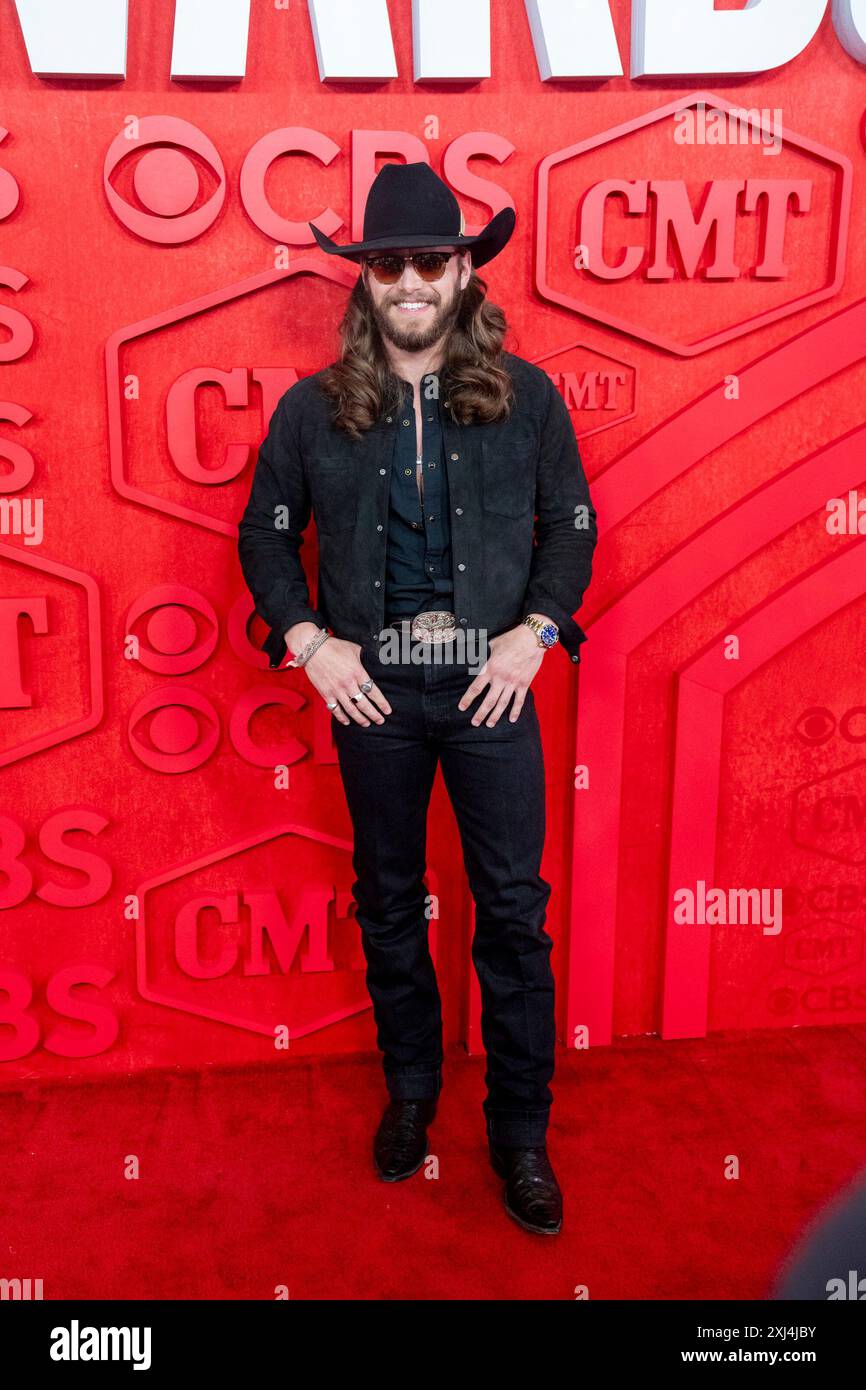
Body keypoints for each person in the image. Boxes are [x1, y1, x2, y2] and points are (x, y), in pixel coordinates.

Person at [237, 161, 597, 1235]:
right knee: (387, 901)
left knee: (513, 916)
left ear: (460, 275)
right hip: (373, 698)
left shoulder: (526, 397)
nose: (408, 280)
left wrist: (536, 636)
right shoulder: (313, 411)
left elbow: (570, 527)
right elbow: (261, 531)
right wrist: (308, 639)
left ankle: (519, 1134)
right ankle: (409, 1098)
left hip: (491, 690)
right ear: (364, 282)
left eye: (428, 261)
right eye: (388, 262)